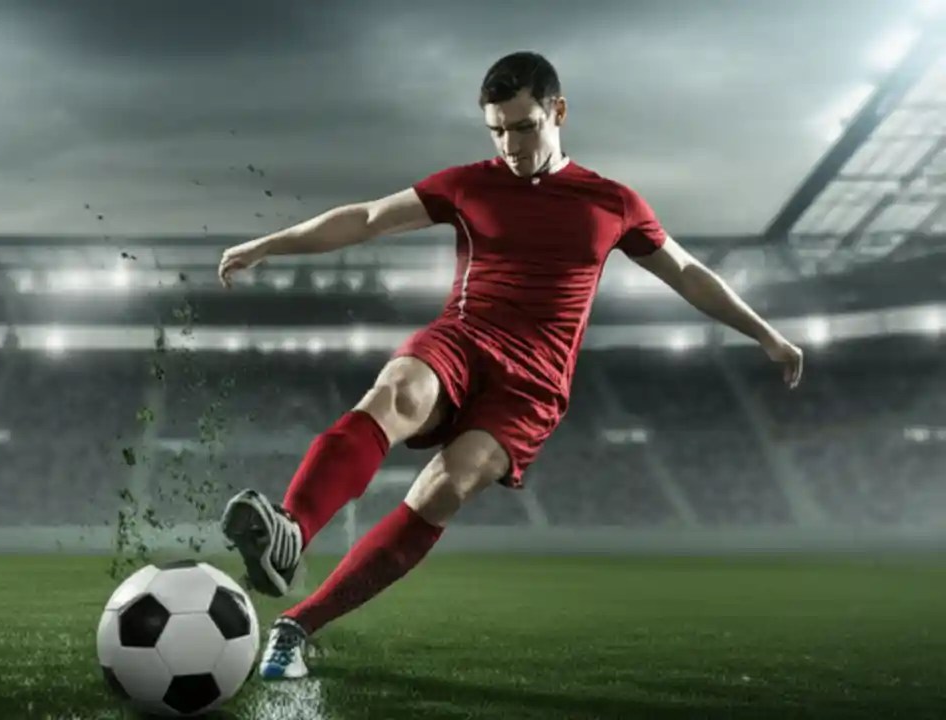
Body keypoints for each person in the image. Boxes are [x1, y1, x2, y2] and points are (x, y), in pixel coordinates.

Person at [214, 51, 804, 680]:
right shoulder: (470, 185)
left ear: (559, 111)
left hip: (533, 383)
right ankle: (292, 530)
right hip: (464, 337)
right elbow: (368, 218)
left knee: (446, 486)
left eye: (524, 127)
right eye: (497, 131)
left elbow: (685, 272)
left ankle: (298, 625)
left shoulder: (613, 202)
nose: (511, 145)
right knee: (398, 393)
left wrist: (766, 334)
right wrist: (267, 245)